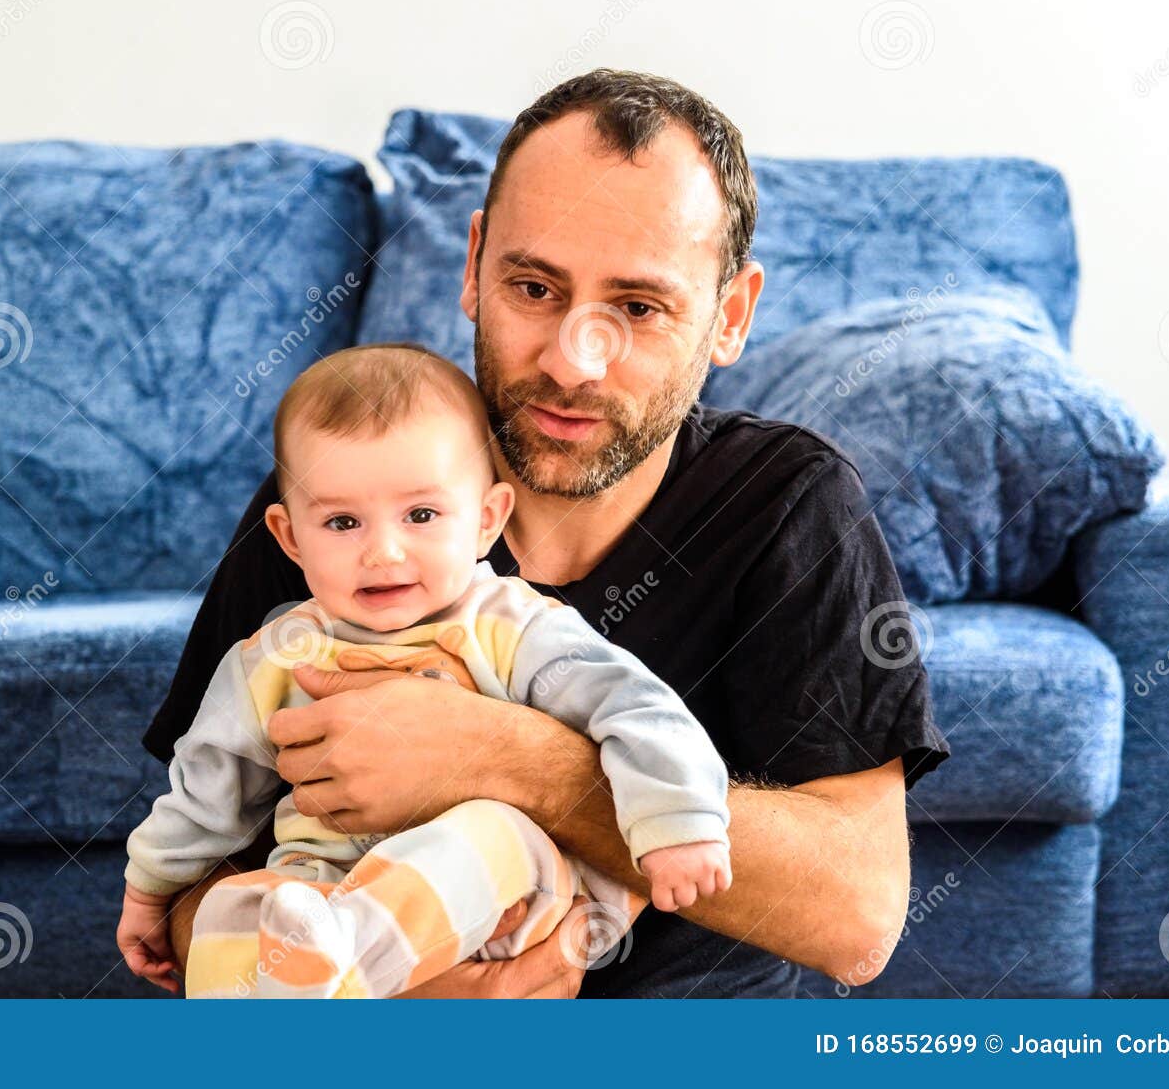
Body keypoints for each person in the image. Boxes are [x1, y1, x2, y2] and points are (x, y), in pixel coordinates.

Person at [134, 67, 949, 998]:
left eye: (637, 308)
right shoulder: (350, 500)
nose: (571, 361)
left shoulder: (787, 504)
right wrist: (387, 986)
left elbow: (858, 919)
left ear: (729, 316)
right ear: (474, 267)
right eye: (533, 287)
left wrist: (511, 761)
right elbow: (183, 905)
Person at [119, 344, 732, 997]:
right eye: (343, 522)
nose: (383, 552)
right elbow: (207, 787)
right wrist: (148, 889)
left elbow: (635, 706)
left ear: (486, 520)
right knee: (233, 908)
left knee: (492, 834)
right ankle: (315, 979)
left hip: (501, 904)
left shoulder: (514, 626)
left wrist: (678, 821)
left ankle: (339, 972)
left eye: (421, 515)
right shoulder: (274, 655)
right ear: (291, 536)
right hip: (322, 891)